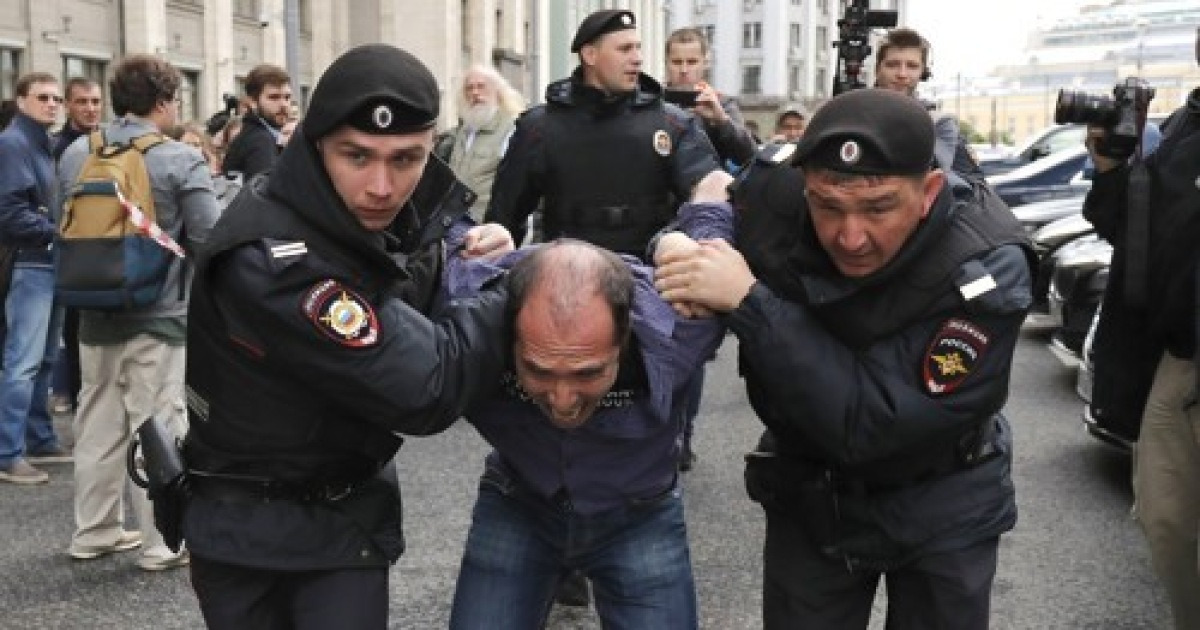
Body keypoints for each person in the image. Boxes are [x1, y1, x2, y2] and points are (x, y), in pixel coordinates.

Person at [656, 88, 1034, 629]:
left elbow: (872, 421)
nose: (850, 237)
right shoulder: (777, 192)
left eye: (879, 208)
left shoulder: (986, 265)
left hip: (944, 497)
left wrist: (750, 303)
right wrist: (682, 246)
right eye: (828, 207)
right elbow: (706, 209)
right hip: (812, 492)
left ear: (928, 192)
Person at [181, 44, 515, 629]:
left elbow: (405, 277)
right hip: (256, 537)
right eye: (356, 155)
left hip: (342, 517)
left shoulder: (340, 213)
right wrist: (519, 288)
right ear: (316, 146)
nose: (382, 186)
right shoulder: (275, 258)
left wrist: (467, 250)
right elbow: (428, 384)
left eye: (406, 159)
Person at [447, 173, 732, 630]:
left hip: (641, 515)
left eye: (588, 373)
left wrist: (680, 235)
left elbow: (713, 211)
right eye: (539, 370)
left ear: (627, 336)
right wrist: (471, 236)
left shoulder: (684, 320)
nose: (562, 402)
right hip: (518, 503)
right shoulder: (468, 313)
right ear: (507, 335)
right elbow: (424, 233)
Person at [58, 54, 221, 571]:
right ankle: (163, 542)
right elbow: (209, 237)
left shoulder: (78, 153)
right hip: (160, 311)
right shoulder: (179, 158)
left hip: (93, 312)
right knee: (158, 421)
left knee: (97, 419)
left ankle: (95, 530)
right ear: (164, 102)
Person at [1081, 33, 1200, 629]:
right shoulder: (1185, 128)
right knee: (1166, 518)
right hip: (1179, 360)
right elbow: (1133, 235)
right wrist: (1111, 167)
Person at [485, 9, 722, 258]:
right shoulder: (539, 127)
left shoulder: (672, 124)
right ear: (590, 55)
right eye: (625, 49)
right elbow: (503, 223)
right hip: (565, 271)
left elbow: (709, 201)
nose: (637, 58)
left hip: (648, 272)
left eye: (638, 48)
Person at [0, 72, 69, 484]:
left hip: (47, 260)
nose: (52, 104)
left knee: (44, 359)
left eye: (56, 98)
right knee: (23, 361)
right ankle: (7, 452)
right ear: (22, 100)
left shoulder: (41, 143)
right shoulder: (14, 143)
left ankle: (39, 438)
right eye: (43, 97)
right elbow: (9, 212)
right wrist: (58, 231)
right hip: (30, 262)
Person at [873, 27, 987, 200]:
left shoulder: (939, 123)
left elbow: (929, 174)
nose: (902, 74)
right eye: (892, 65)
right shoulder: (852, 112)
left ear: (923, 73)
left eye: (912, 66)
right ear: (878, 68)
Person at [50, 77, 106, 417]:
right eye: (82, 102)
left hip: (107, 247)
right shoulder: (58, 148)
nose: (90, 108)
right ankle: (76, 403)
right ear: (69, 105)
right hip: (72, 251)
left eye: (95, 101)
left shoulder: (111, 142)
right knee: (73, 334)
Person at [438, 65, 524, 222]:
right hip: (453, 222)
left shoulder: (511, 130)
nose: (475, 93)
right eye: (469, 88)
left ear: (497, 91)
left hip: (488, 223)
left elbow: (518, 185)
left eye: (481, 86)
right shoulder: (461, 132)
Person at [663, 27, 756, 167]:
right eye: (677, 62)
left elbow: (748, 157)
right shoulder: (652, 102)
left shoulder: (722, 104)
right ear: (667, 63)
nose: (684, 70)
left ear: (705, 63)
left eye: (692, 62)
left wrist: (721, 121)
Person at [220, 63, 291, 180]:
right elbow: (266, 189)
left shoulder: (258, 135)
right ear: (253, 102)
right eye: (274, 97)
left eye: (287, 97)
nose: (284, 104)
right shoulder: (260, 141)